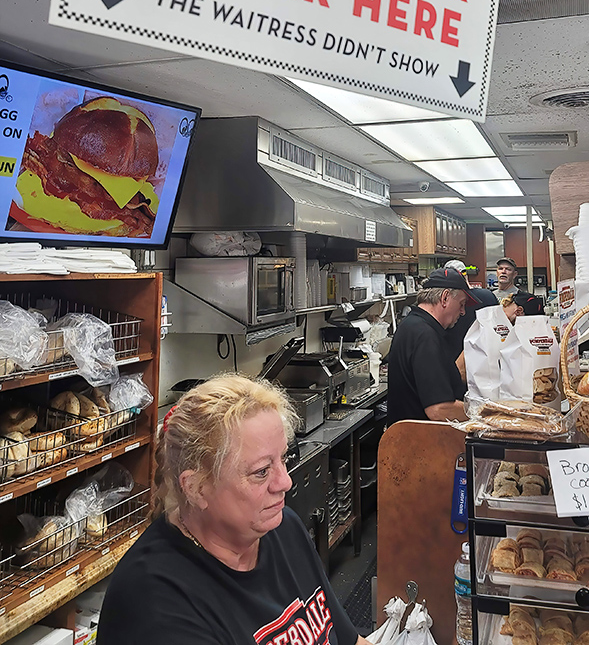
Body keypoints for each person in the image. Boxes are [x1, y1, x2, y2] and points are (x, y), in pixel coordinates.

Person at [97, 374, 368, 645]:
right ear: (196, 488)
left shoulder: (285, 528)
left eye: (283, 458)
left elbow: (351, 641)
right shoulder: (156, 604)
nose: (285, 482)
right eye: (261, 472)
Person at [386, 267, 481, 425]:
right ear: (445, 298)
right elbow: (439, 409)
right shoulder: (425, 335)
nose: (463, 311)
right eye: (462, 304)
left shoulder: (413, 324)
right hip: (420, 437)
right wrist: (484, 413)